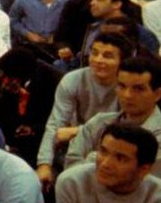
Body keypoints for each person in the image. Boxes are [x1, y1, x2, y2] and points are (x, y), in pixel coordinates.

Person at [37, 32, 130, 189]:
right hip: (74, 149)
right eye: (94, 53)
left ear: (122, 61)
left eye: (107, 56)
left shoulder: (128, 87)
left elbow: (128, 128)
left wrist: (77, 130)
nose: (98, 60)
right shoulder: (73, 80)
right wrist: (44, 164)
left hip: (115, 151)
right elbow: (55, 125)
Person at [65, 57, 161, 177]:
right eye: (122, 86)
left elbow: (139, 183)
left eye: (138, 89)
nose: (127, 95)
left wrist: (92, 158)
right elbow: (70, 169)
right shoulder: (99, 122)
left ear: (157, 94)